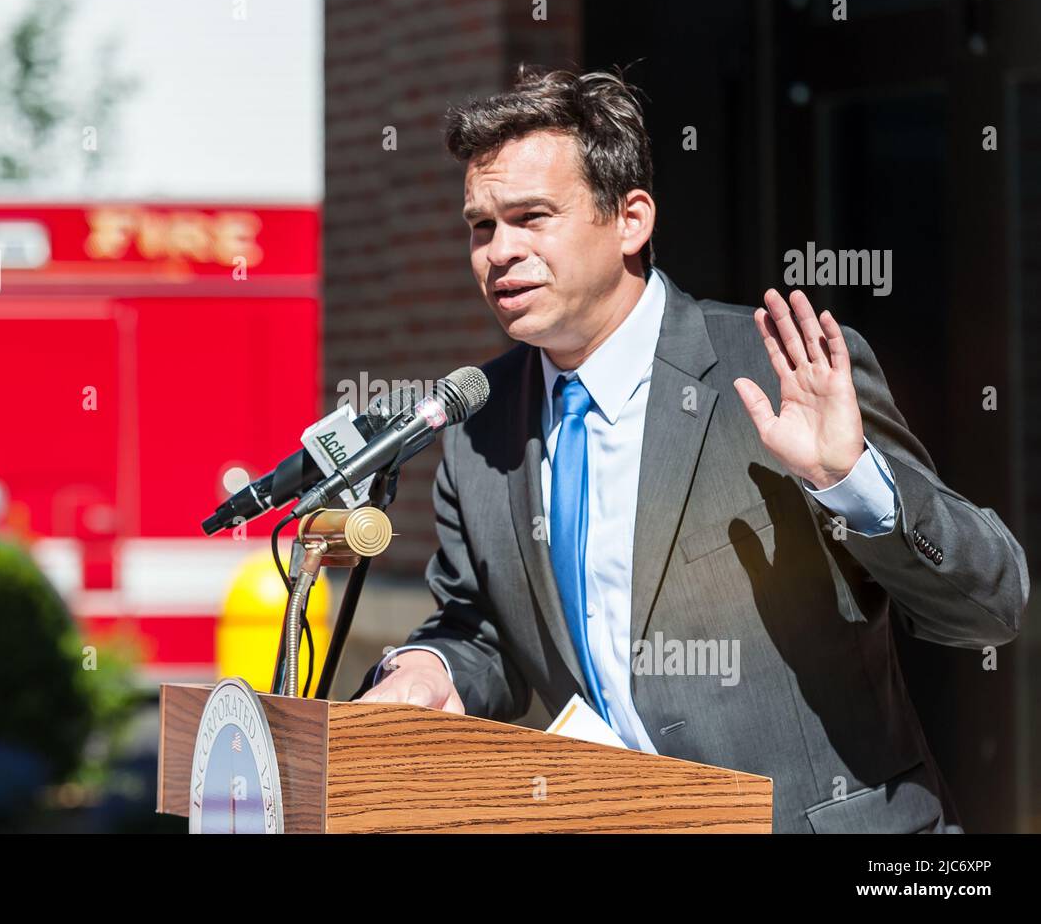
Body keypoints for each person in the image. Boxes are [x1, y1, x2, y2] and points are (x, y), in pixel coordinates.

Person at [350, 66, 1029, 833]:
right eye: (481, 226)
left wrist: (852, 482)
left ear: (631, 219)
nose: (497, 252)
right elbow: (482, 628)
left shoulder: (775, 369)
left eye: (531, 216)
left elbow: (992, 604)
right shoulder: (478, 424)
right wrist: (429, 669)